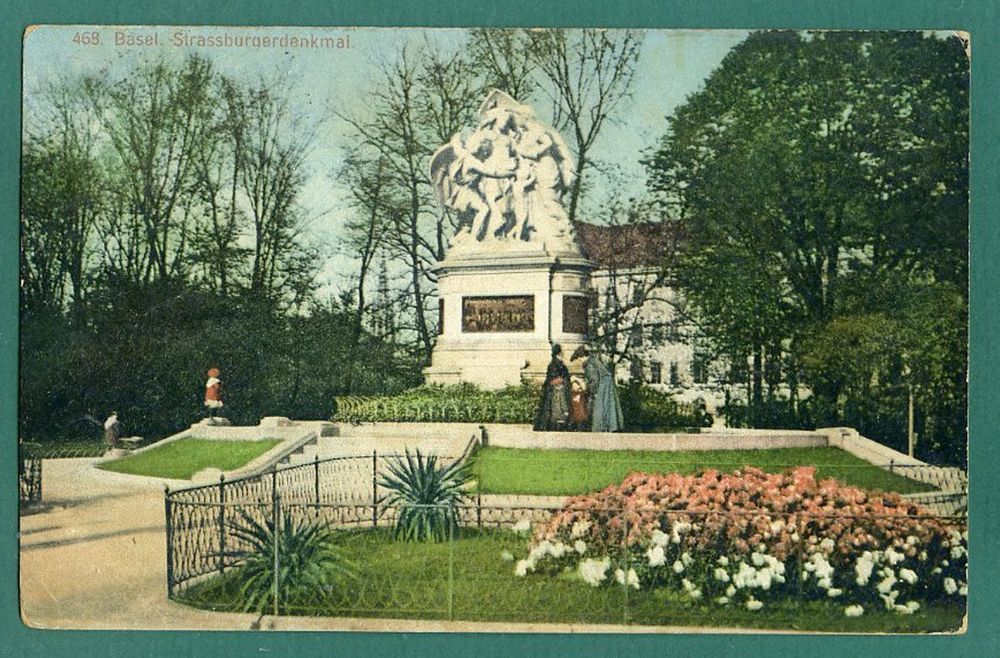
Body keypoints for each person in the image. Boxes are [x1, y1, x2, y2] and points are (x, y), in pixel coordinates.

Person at [572, 345, 624, 432]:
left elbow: (594, 381)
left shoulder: (588, 364)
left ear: (582, 356)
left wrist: (585, 389)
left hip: (603, 386)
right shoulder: (593, 360)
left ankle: (600, 429)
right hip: (606, 385)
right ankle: (608, 428)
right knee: (607, 408)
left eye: (579, 359)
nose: (580, 362)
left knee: (599, 408)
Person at [533, 344, 571, 431]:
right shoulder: (557, 364)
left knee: (548, 408)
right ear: (559, 353)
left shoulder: (554, 363)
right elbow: (556, 378)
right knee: (554, 408)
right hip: (556, 389)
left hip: (552, 389)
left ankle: (545, 425)